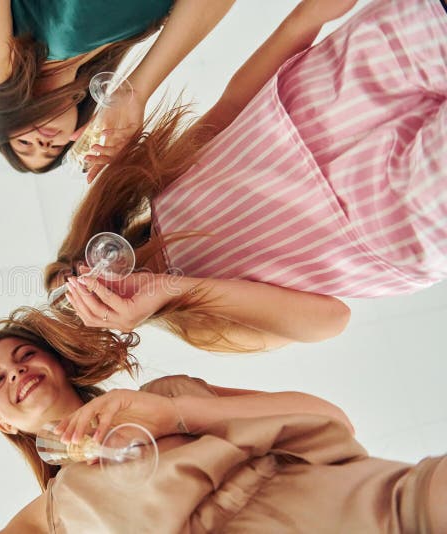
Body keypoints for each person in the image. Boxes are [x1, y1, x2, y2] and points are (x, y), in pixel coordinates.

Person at [45, 0, 447, 351]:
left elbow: (233, 103)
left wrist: (304, 19)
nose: (87, 284)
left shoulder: (164, 188)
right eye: (78, 302)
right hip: (383, 220)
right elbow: (331, 319)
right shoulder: (200, 324)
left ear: (87, 248)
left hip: (333, 95)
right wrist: (171, 291)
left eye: (73, 276)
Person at [0, 306, 444, 533]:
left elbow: (330, 417)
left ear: (56, 362)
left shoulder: (166, 394)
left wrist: (175, 414)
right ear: (4, 424)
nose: (16, 372)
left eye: (25, 355)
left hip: (360, 502)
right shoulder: (52, 517)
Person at [0, 0, 235, 173]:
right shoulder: (120, 40)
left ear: (6, 116)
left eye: (24, 144)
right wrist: (135, 92)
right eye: (53, 149)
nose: (42, 144)